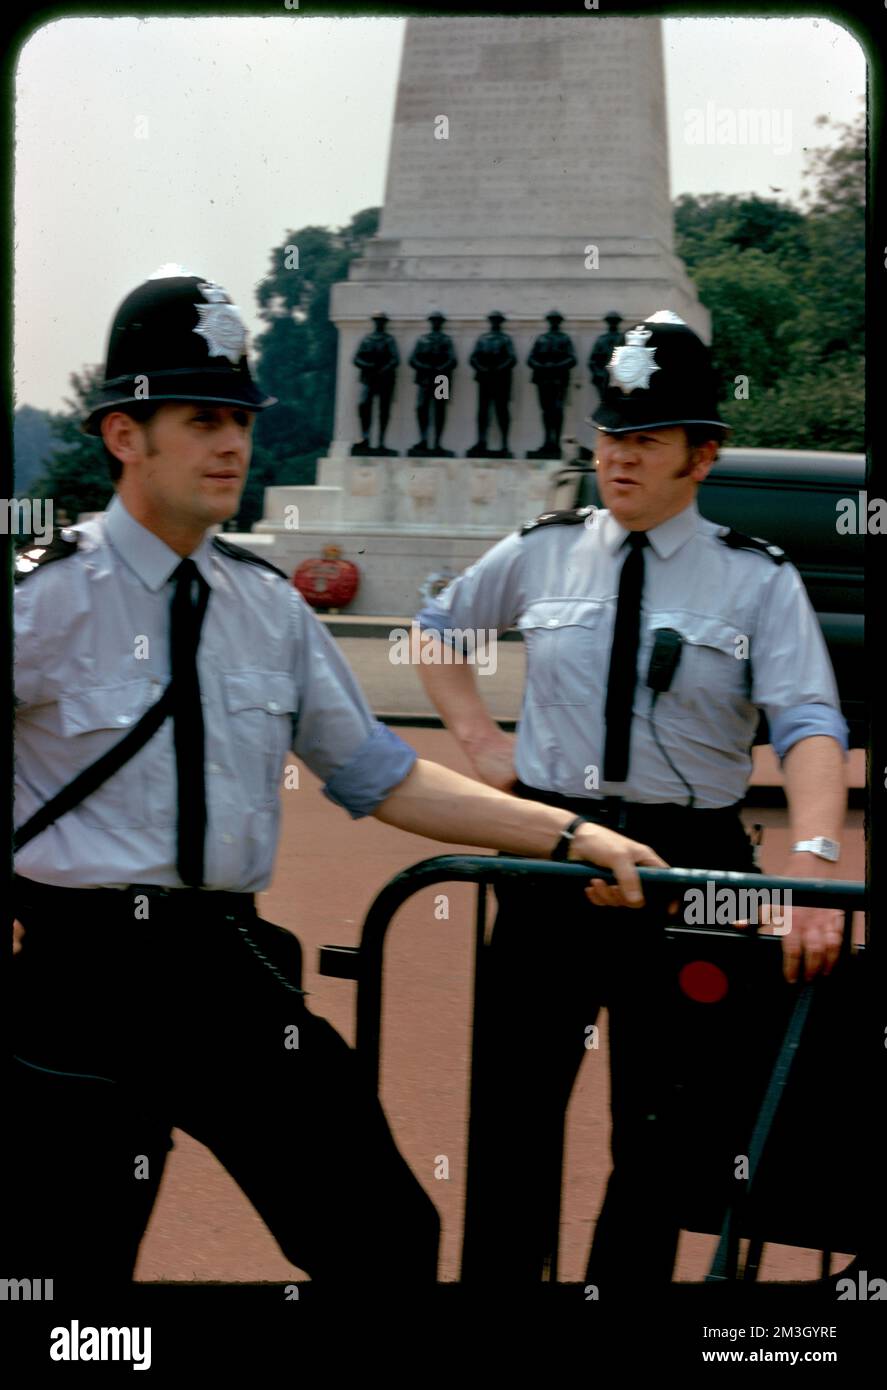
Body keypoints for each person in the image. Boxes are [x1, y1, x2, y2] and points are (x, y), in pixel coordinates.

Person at [8, 266, 663, 1297]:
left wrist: (569, 836)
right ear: (123, 436)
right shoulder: (45, 597)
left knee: (384, 1235)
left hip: (219, 962)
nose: (232, 442)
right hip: (74, 969)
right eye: (200, 418)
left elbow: (384, 777)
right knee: (64, 1274)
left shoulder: (267, 606)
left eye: (239, 416)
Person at [414, 308, 849, 1289]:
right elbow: (435, 628)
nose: (618, 457)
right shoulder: (540, 551)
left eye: (644, 439)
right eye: (609, 435)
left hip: (686, 868)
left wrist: (812, 861)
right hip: (549, 855)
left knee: (662, 1134)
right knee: (511, 1118)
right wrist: (482, 746)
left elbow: (808, 721)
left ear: (702, 454)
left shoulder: (753, 582)